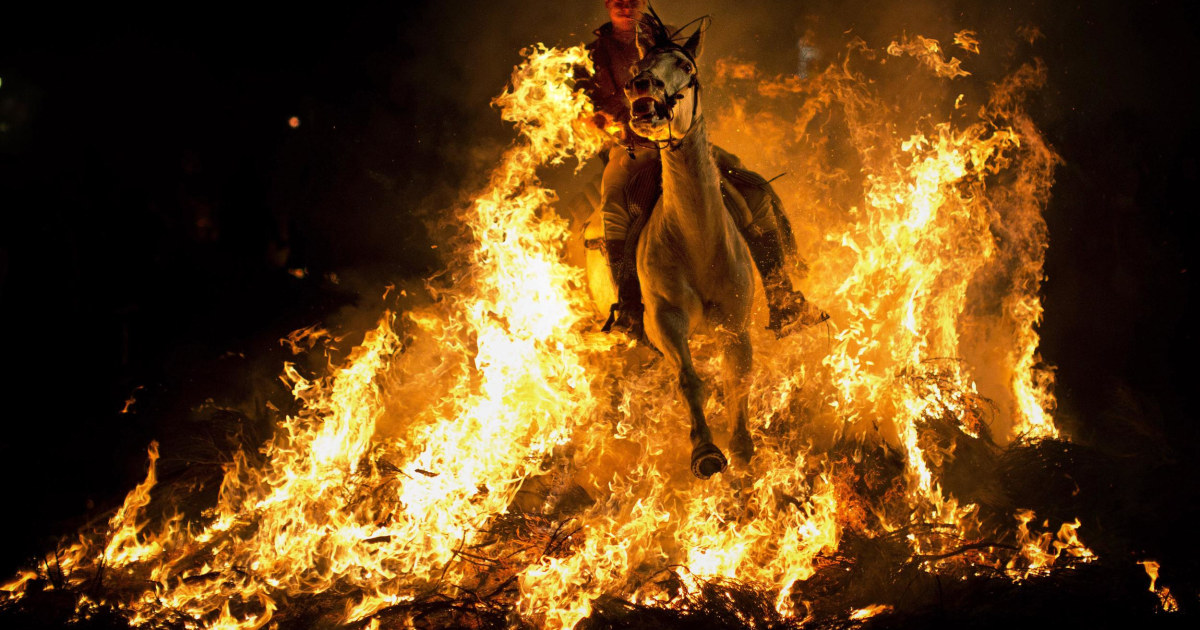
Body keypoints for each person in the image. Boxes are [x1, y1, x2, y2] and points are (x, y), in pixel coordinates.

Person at [577, 0, 827, 337]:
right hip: (633, 150)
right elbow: (593, 104)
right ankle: (630, 308)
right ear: (607, 4)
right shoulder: (593, 55)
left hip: (681, 140)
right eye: (618, 0)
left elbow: (686, 87)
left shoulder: (670, 44)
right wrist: (626, 125)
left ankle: (782, 296)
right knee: (614, 207)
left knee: (752, 188)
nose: (626, 6)